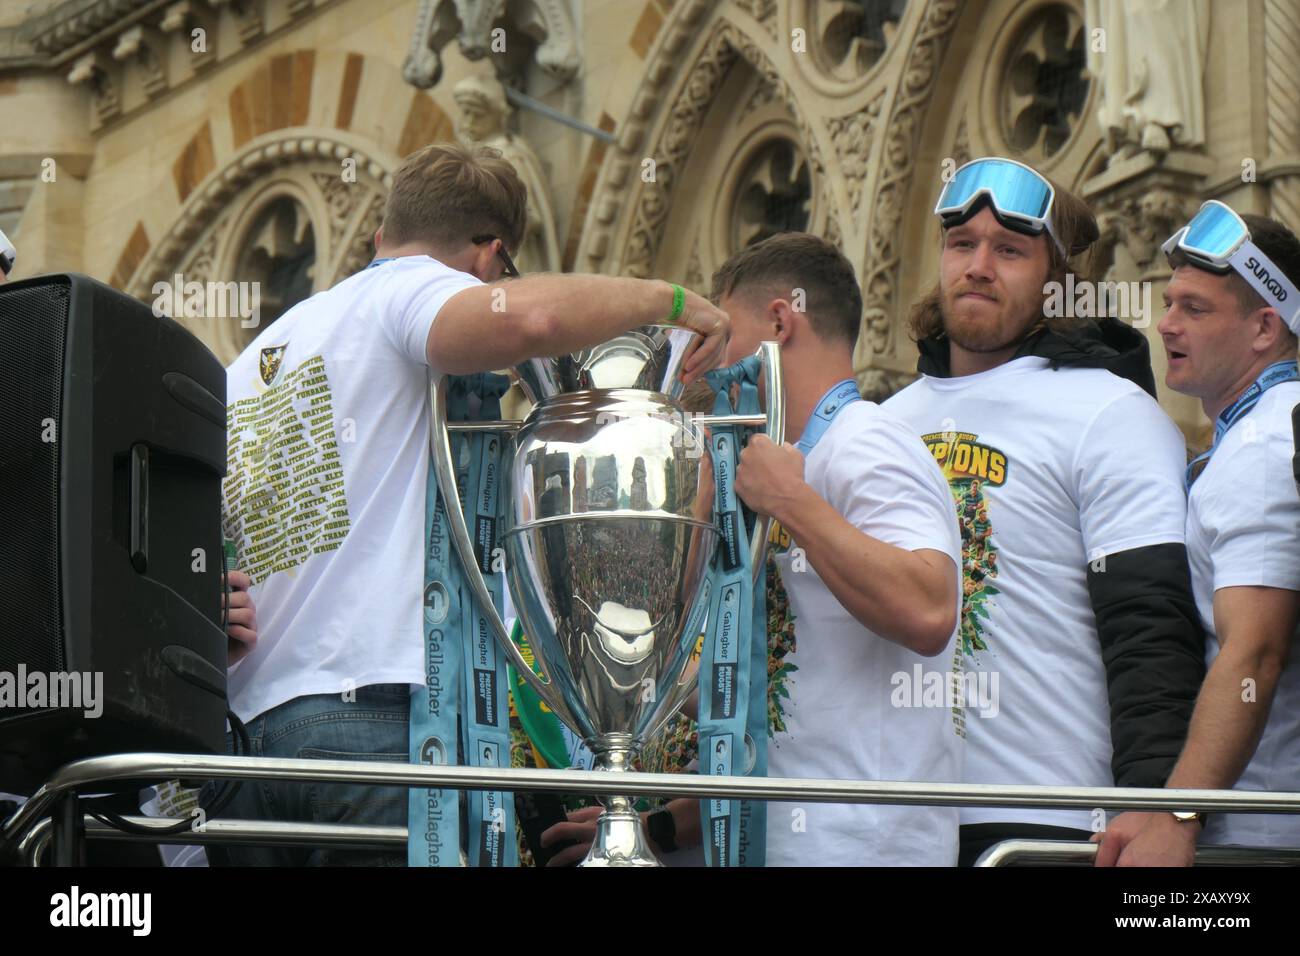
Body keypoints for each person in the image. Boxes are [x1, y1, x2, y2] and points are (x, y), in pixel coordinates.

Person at [212, 141, 729, 865]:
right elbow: (532, 324)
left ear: (377, 235)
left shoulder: (256, 360)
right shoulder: (404, 292)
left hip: (247, 746)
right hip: (373, 730)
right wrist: (671, 301)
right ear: (490, 260)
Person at [543, 232, 964, 866]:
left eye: (721, 335)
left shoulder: (866, 441)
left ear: (779, 321)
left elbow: (930, 610)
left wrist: (792, 502)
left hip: (859, 849)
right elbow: (753, 700)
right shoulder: (772, 468)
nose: (704, 365)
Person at [882, 157, 1205, 866]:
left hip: (1048, 824)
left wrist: (1157, 807)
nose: (978, 266)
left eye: (1010, 250)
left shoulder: (1111, 414)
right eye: (962, 244)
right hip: (890, 823)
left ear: (1059, 278)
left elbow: (1149, 632)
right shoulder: (880, 425)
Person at [1094, 204, 1300, 865]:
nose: (1165, 323)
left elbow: (1254, 653)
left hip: (1264, 835)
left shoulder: (1265, 447)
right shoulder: (1259, 430)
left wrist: (1176, 813)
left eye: (1194, 308)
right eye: (1166, 302)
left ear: (1265, 327)